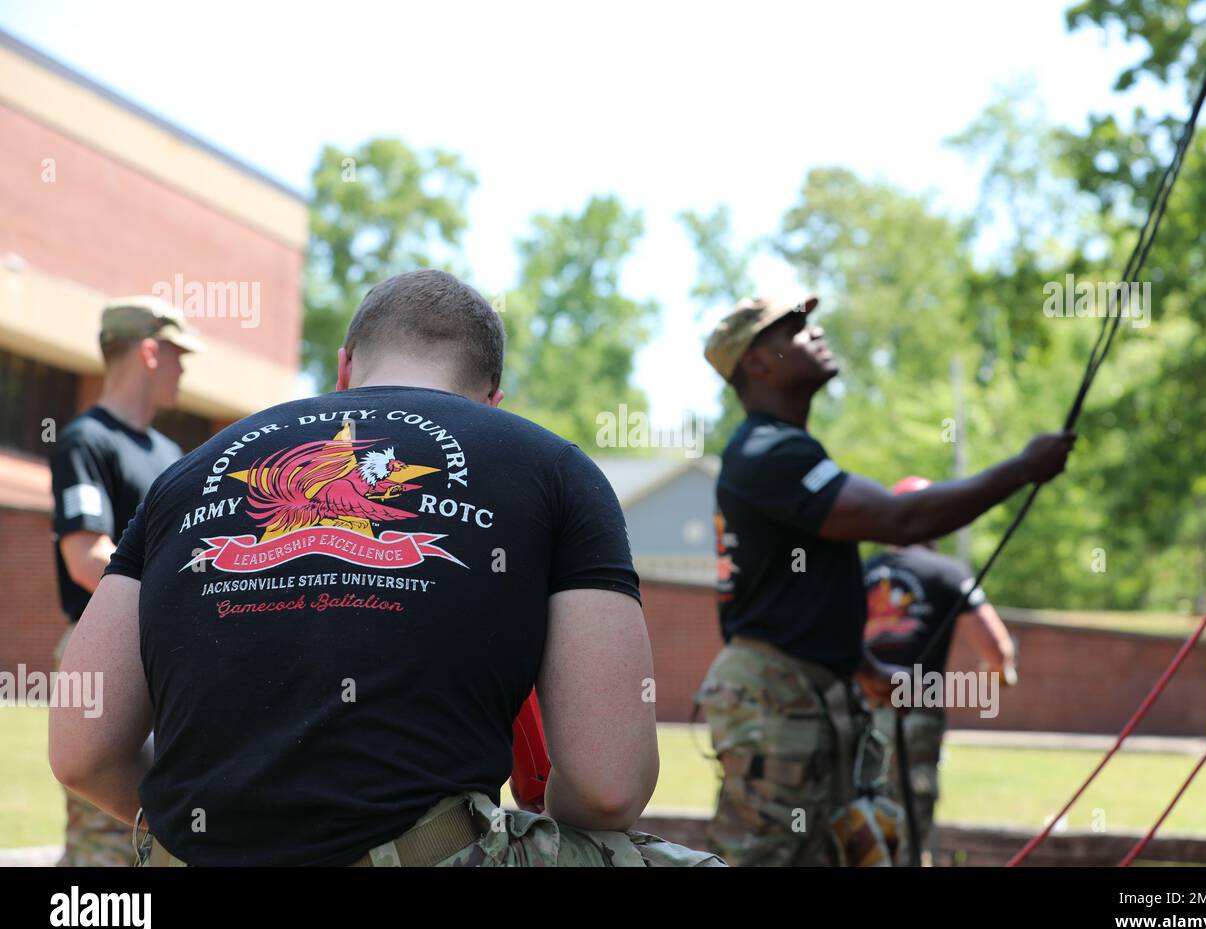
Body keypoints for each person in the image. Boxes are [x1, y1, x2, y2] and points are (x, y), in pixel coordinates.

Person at [48, 268, 721, 867]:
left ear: (343, 369)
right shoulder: (557, 471)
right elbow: (609, 788)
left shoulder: (186, 474)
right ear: (491, 401)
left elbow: (82, 751)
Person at [696, 294, 1075, 866]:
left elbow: (797, 596)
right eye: (796, 327)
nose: (816, 332)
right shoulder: (768, 451)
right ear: (756, 362)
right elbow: (903, 518)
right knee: (765, 859)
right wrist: (1023, 468)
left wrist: (863, 668)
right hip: (776, 695)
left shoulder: (783, 450)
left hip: (804, 689)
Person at [49, 296, 202, 866]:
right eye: (178, 354)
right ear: (148, 352)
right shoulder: (85, 441)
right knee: (104, 841)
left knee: (156, 828)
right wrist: (180, 592)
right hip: (106, 650)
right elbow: (87, 558)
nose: (185, 368)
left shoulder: (172, 454)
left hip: (163, 651)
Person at [863, 475, 1018, 866]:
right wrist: (999, 673)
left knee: (859, 818)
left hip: (858, 716)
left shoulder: (859, 572)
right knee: (912, 824)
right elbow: (996, 647)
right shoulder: (949, 573)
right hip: (916, 714)